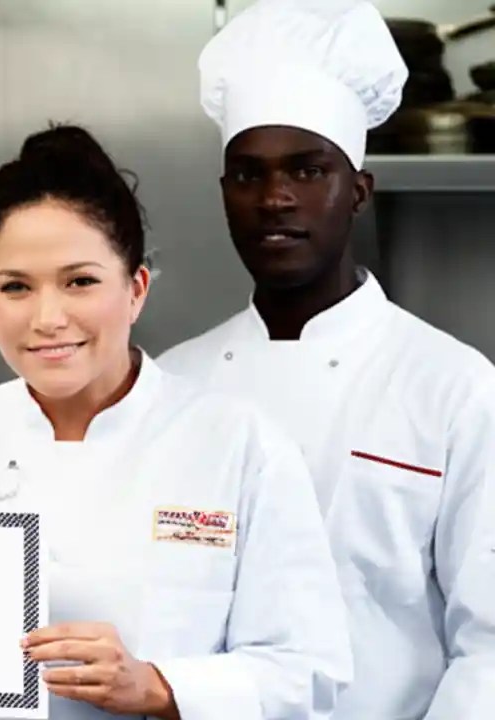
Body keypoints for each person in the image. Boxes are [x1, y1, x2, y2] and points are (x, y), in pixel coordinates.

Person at [0, 124, 351, 720]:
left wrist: (158, 687)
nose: (48, 317)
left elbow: (309, 674)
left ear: (136, 289)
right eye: (15, 287)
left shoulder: (237, 445)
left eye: (80, 282)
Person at [159, 1, 495, 717]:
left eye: (308, 171)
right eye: (247, 176)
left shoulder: (455, 388)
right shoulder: (171, 385)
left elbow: (490, 643)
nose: (275, 198)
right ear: (224, 197)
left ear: (359, 193)